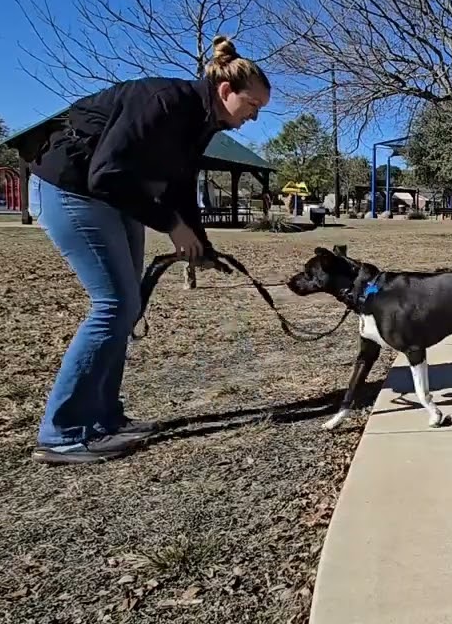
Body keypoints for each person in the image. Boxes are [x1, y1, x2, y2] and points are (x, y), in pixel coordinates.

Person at [26, 35, 271, 465]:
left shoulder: (200, 122)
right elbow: (105, 175)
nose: (254, 116)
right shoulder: (163, 102)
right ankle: (63, 432)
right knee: (113, 305)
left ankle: (104, 419)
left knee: (127, 304)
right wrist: (171, 225)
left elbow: (180, 185)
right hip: (72, 189)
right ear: (226, 91)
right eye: (253, 105)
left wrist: (202, 244)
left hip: (117, 198)